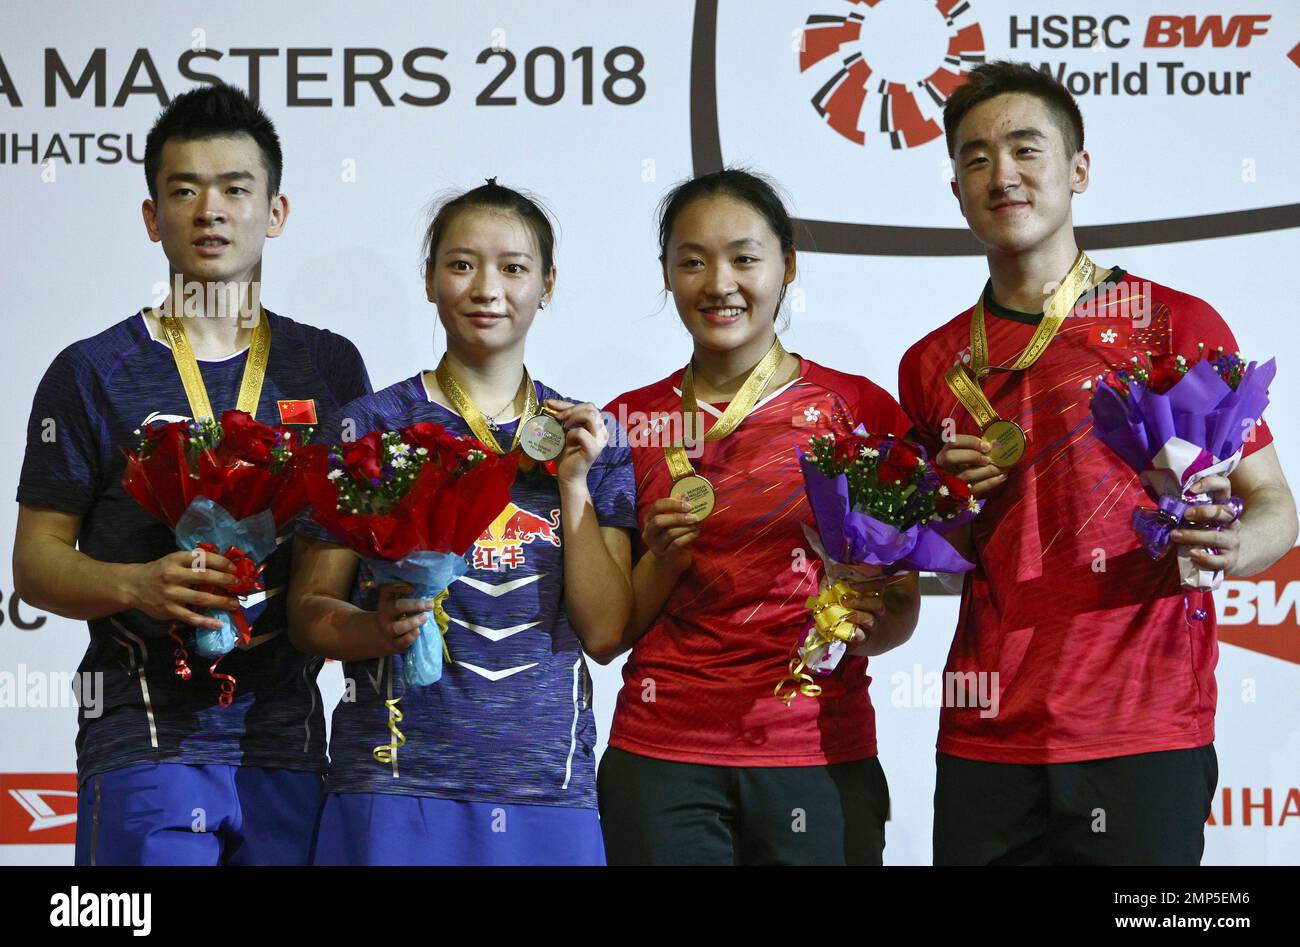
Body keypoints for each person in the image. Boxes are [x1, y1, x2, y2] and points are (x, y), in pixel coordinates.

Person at [897, 60, 1298, 865]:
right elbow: (936, 558)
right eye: (974, 159)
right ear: (954, 187)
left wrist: (1227, 547)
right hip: (987, 731)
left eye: (1024, 149)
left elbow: (1275, 508)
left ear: (1078, 169)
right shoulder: (932, 363)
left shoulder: (1169, 324)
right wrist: (938, 507)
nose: (1001, 175)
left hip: (1142, 724)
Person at [12, 83, 373, 865]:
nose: (210, 209)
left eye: (235, 188)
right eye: (183, 189)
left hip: (286, 736)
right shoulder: (91, 372)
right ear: (152, 217)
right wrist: (137, 585)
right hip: (146, 733)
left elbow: (342, 546)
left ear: (275, 212)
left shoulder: (328, 365)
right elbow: (35, 562)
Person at [288, 180, 637, 865]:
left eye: (513, 267)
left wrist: (573, 485)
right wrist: (372, 629)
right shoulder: (369, 428)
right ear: (428, 279)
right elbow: (307, 613)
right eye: (461, 264)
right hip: (390, 786)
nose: (487, 288)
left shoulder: (593, 440)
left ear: (548, 284)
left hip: (548, 790)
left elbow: (604, 632)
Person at [597, 168, 920, 866]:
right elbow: (607, 628)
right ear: (666, 273)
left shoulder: (858, 411)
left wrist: (862, 618)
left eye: (744, 258)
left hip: (815, 750)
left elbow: (900, 606)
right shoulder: (626, 423)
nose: (720, 283)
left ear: (786, 267)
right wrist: (658, 557)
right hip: (663, 757)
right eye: (692, 260)